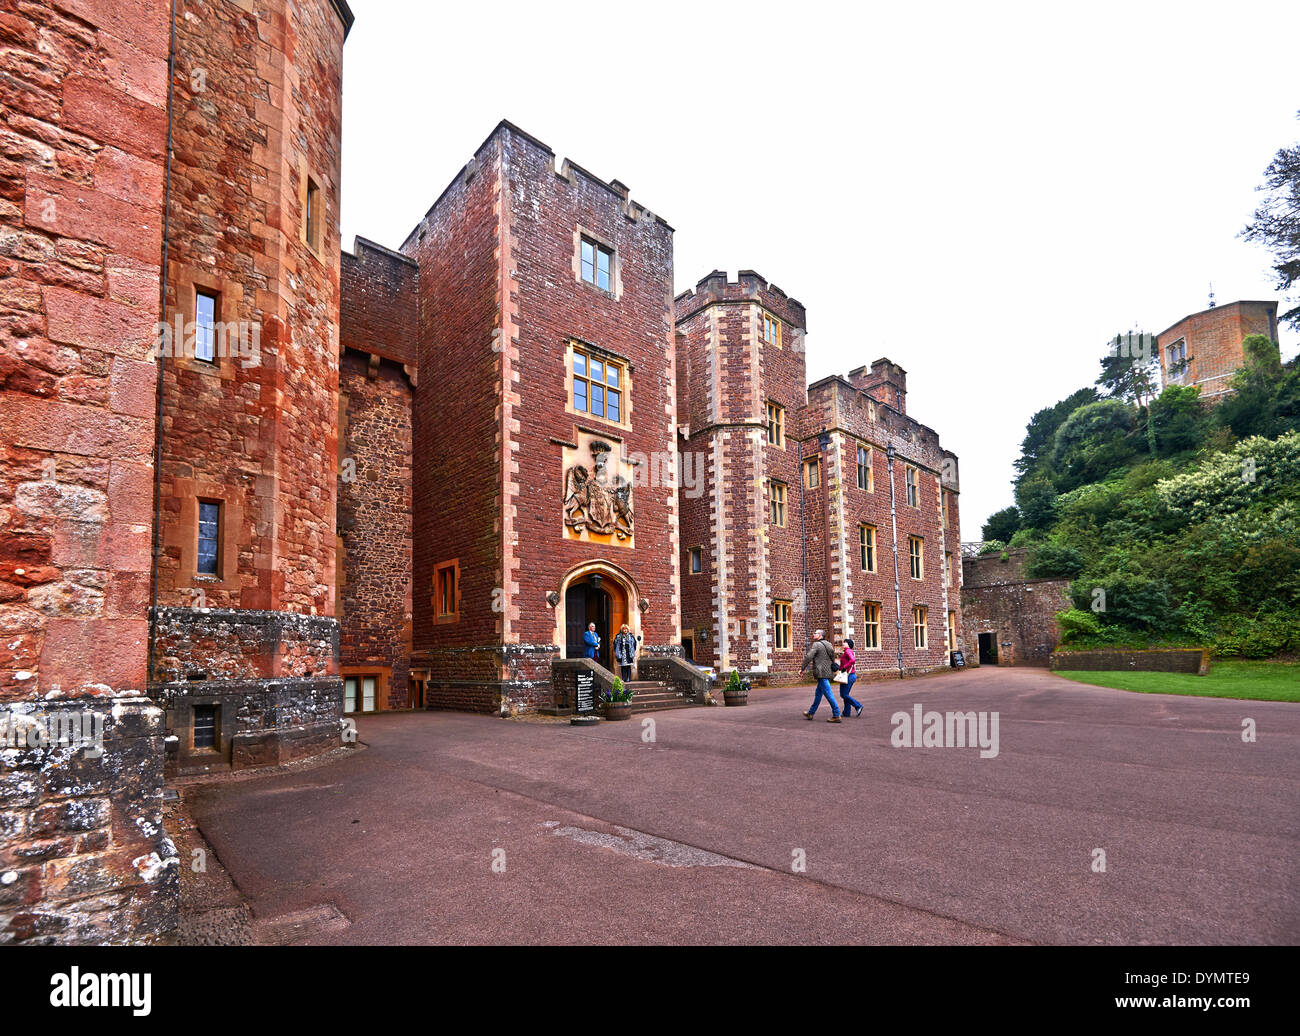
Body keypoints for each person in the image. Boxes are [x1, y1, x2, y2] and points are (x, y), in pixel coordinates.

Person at [800, 628, 841, 723]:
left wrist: (802, 668)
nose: (813, 634)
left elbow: (809, 656)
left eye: (815, 633)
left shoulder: (816, 645)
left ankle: (836, 714)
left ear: (820, 635)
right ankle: (811, 713)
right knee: (818, 694)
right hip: (828, 672)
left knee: (829, 694)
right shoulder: (829, 644)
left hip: (821, 673)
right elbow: (832, 657)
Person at [838, 638, 863, 717]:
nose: (843, 643)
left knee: (843, 694)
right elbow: (845, 664)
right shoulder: (846, 651)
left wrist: (844, 667)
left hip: (849, 676)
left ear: (848, 644)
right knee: (845, 694)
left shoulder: (848, 651)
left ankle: (858, 706)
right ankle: (846, 712)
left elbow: (852, 660)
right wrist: (839, 668)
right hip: (849, 675)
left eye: (845, 642)